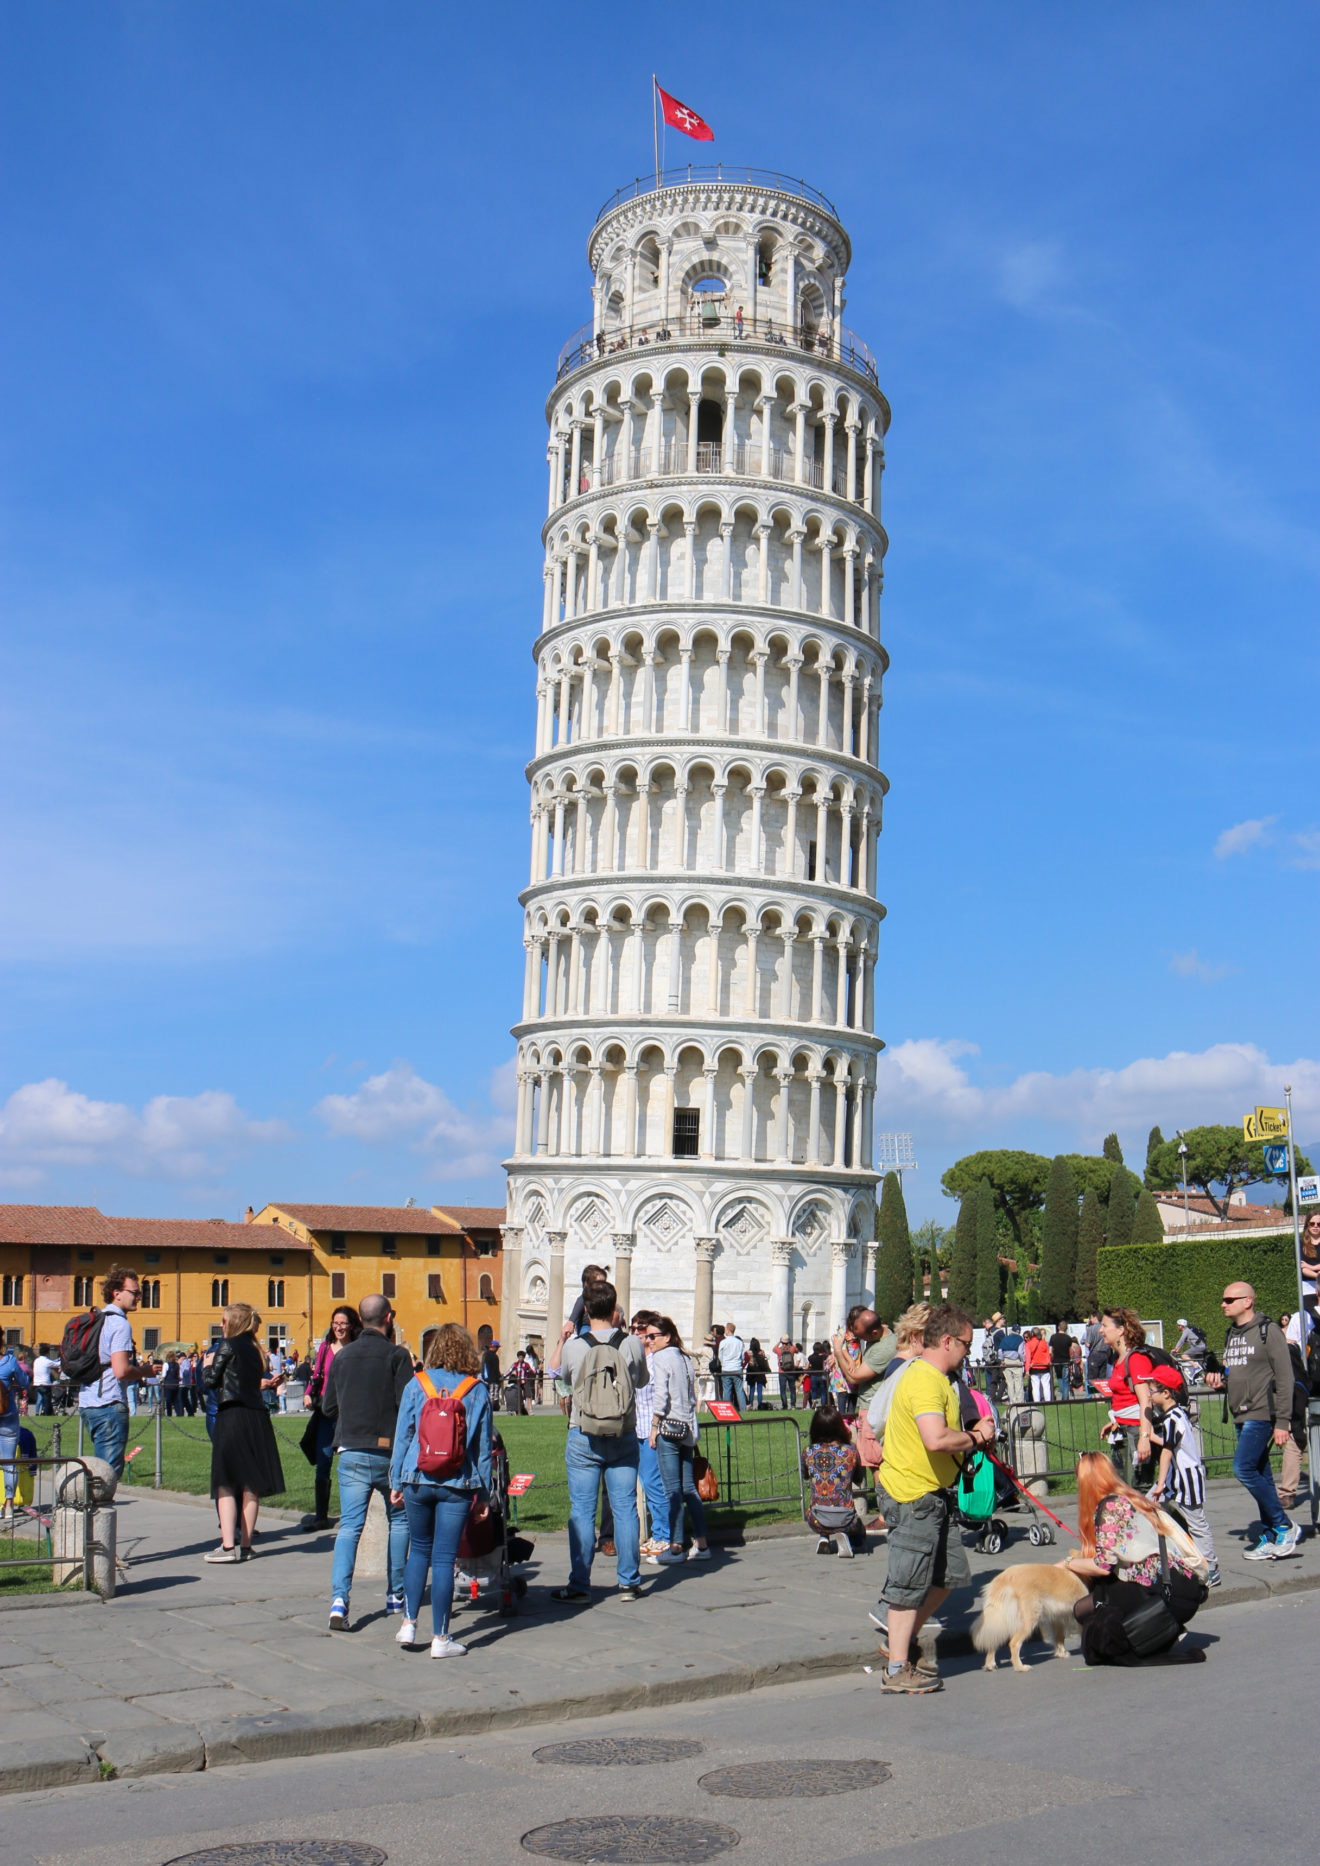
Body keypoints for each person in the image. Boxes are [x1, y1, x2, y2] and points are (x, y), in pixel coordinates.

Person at [873, 1304, 994, 1693]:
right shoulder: (925, 1379)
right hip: (912, 1494)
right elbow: (936, 1438)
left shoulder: (938, 1378)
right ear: (947, 1341)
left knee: (949, 1576)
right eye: (966, 1344)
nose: (968, 1352)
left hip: (933, 1494)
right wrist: (977, 1437)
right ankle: (896, 1668)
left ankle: (902, 1643)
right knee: (907, 1585)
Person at [389, 1322, 494, 1657]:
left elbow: (403, 1437)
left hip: (416, 1477)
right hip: (458, 1481)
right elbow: (482, 1450)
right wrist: (484, 1495)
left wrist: (396, 1481)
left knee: (418, 1550)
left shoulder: (416, 1384)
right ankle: (441, 1638)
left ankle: (408, 1624)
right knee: (445, 1558)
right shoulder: (476, 1390)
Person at [547, 1279, 649, 1602]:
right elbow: (642, 1381)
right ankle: (629, 1581)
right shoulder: (631, 1344)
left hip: (584, 1432)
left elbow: (565, 1378)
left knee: (581, 1510)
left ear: (587, 1311)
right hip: (622, 1432)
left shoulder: (576, 1346)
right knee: (624, 1507)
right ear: (614, 1308)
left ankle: (580, 1582)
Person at [1058, 1452, 1209, 1665]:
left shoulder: (1109, 1506)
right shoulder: (1133, 1497)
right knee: (1105, 1596)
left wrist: (1067, 1563)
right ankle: (1163, 1633)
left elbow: (1103, 1565)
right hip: (1181, 1585)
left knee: (1087, 1608)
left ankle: (1159, 1633)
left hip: (1166, 1593)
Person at [321, 1291, 414, 1631]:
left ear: (359, 1320)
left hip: (351, 1449)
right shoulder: (397, 1356)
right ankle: (396, 1594)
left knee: (349, 1527)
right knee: (399, 1522)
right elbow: (407, 1407)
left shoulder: (343, 1356)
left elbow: (328, 1408)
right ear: (389, 1318)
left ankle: (339, 1599)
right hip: (389, 1451)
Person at [1205, 1282, 1300, 1560]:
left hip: (1262, 1412)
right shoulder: (1231, 1334)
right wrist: (1219, 1382)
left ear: (1247, 1301)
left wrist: (1283, 1421)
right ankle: (1270, 1536)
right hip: (1240, 1412)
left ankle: (1283, 1525)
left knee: (1243, 1468)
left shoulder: (1268, 1331)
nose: (1223, 1304)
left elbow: (1285, 1377)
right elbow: (1236, 1374)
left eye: (1229, 1299)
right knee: (1261, 1475)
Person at [202, 1304, 285, 1562]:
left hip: (233, 1415)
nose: (221, 1325)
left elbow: (210, 1382)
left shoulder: (227, 1345)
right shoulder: (255, 1349)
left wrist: (206, 1366)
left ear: (233, 1322)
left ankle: (228, 1547)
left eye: (224, 1321)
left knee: (226, 1482)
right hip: (256, 1416)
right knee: (251, 1485)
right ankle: (246, 1546)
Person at [644, 1316, 710, 1565]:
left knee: (672, 1490)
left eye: (653, 1336)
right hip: (687, 1427)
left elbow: (661, 1396)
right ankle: (701, 1543)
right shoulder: (684, 1357)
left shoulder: (661, 1357)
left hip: (669, 1427)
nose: (649, 1341)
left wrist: (654, 1426)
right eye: (647, 1336)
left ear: (667, 1336)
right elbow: (691, 1395)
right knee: (688, 1488)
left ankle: (675, 1547)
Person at [1145, 1381, 1219, 1586]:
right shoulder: (1175, 1414)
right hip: (1175, 1477)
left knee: (1198, 1524)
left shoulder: (1173, 1418)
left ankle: (1212, 1568)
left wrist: (1160, 1483)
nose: (1149, 1395)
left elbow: (1168, 1451)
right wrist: (1152, 1436)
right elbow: (1172, 1442)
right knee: (1147, 1506)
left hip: (1186, 1477)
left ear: (1166, 1393)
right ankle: (1169, 1554)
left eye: (1151, 1391)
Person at [300, 1305, 361, 1531]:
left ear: (352, 1325)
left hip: (350, 1412)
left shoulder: (357, 1348)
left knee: (351, 1462)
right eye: (336, 1323)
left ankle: (353, 1516)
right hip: (326, 1411)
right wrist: (308, 1393)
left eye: (343, 1323)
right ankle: (321, 1516)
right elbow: (317, 1375)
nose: (339, 1327)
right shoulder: (326, 1347)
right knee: (324, 1460)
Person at [78, 1266, 142, 1479]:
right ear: (117, 1293)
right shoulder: (119, 1324)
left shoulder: (96, 1320)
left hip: (88, 1402)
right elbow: (121, 1370)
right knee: (106, 1477)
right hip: (109, 1403)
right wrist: (145, 1371)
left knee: (99, 1471)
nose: (138, 1297)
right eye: (134, 1292)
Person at [630, 1309, 671, 1556]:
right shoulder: (638, 1359)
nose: (636, 1332)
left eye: (641, 1327)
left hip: (651, 1431)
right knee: (647, 1482)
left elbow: (661, 1398)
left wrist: (655, 1427)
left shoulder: (657, 1361)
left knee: (653, 1482)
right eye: (633, 1327)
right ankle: (658, 1532)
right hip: (636, 1429)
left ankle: (663, 1534)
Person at [1095, 1308, 1154, 1472]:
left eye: (1105, 1326)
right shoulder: (1118, 1359)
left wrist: (1144, 1437)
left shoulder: (1136, 1359)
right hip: (1122, 1430)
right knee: (1122, 1485)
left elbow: (1146, 1400)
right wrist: (1116, 1420)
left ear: (1120, 1330)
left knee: (1134, 1485)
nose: (1100, 1330)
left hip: (1135, 1433)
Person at [804, 1405, 865, 1557]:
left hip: (816, 1518)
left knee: (820, 1503)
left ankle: (824, 1538)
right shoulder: (850, 1451)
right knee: (860, 1536)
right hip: (847, 1517)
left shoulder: (809, 1451)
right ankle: (845, 1535)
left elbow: (805, 1475)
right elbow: (858, 1479)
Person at [0, 1340, 28, 1503]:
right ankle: (9, 1503)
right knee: (9, 1462)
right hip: (7, 1414)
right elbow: (24, 1382)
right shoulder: (9, 1361)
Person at [714, 1322, 746, 1411]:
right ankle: (743, 1409)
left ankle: (728, 1409)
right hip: (737, 1368)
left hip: (726, 1368)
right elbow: (743, 1356)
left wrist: (723, 1363)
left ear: (727, 1330)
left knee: (727, 1390)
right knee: (739, 1390)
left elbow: (720, 1356)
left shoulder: (723, 1342)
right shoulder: (739, 1342)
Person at [1023, 1328, 1052, 1403]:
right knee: (1046, 1386)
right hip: (1045, 1366)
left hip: (1034, 1367)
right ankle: (1048, 1401)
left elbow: (1028, 1358)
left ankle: (1037, 1402)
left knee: (1035, 1386)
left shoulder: (1028, 1344)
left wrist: (1027, 1369)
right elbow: (1048, 1355)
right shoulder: (1043, 1342)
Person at [1048, 1324, 1074, 1401]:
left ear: (1058, 1327)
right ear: (1066, 1329)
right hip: (1066, 1361)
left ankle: (1063, 1395)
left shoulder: (1053, 1337)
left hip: (1056, 1361)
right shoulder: (1068, 1338)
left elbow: (1050, 1351)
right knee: (1066, 1379)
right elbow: (1071, 1350)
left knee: (1059, 1378)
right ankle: (1065, 1398)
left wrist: (1052, 1358)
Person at [744, 1338, 771, 1410]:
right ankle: (760, 1405)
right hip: (760, 1374)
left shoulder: (749, 1354)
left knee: (751, 1390)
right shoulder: (761, 1353)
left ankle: (751, 1405)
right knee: (759, 1390)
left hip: (751, 1374)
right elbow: (764, 1363)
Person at [775, 1338, 801, 1409]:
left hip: (782, 1371)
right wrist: (791, 1342)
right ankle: (793, 1405)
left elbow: (774, 1348)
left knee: (783, 1390)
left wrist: (779, 1341)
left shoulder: (779, 1350)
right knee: (792, 1389)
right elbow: (796, 1349)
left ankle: (784, 1405)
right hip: (791, 1371)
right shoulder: (792, 1349)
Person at [30, 1346, 56, 1416]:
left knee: (40, 1399)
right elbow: (56, 1364)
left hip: (37, 1384)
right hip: (45, 1384)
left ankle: (40, 1412)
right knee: (47, 1400)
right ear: (47, 1353)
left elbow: (51, 1362)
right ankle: (47, 1413)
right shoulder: (46, 1361)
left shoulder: (36, 1360)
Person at [160, 1352, 181, 1417]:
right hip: (176, 1384)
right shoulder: (177, 1365)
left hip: (168, 1385)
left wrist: (161, 1380)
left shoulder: (166, 1364)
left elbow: (164, 1375)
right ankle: (179, 1414)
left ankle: (169, 1414)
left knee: (168, 1401)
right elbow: (178, 1375)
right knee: (176, 1401)